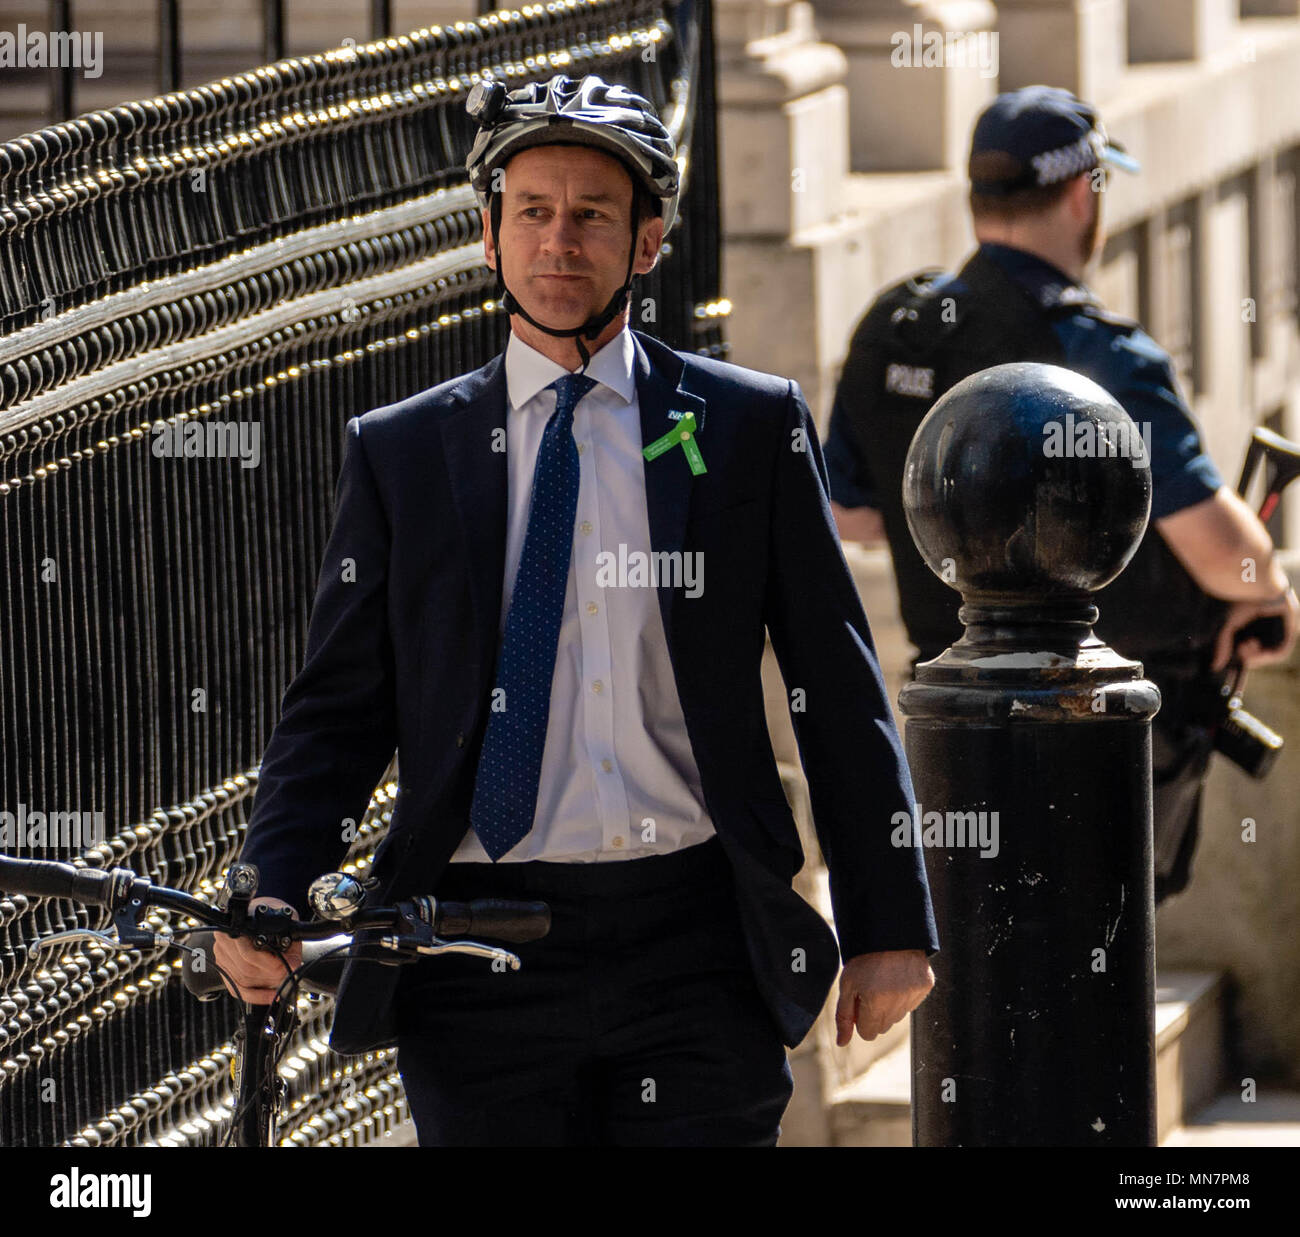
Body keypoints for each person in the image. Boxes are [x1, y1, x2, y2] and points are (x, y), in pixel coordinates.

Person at [214, 73, 938, 1146]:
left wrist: (887, 922)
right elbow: (338, 706)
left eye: (593, 215)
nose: (560, 243)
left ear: (647, 243)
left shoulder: (745, 427)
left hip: (693, 942)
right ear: (490, 237)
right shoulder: (404, 451)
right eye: (533, 214)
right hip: (472, 954)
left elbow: (836, 685)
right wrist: (269, 886)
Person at [825, 85, 1299, 904]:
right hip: (1091, 730)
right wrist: (1273, 593)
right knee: (1087, 966)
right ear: (1085, 194)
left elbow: (854, 513)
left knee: (979, 961)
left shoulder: (897, 327)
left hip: (949, 720)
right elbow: (1227, 556)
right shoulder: (1097, 355)